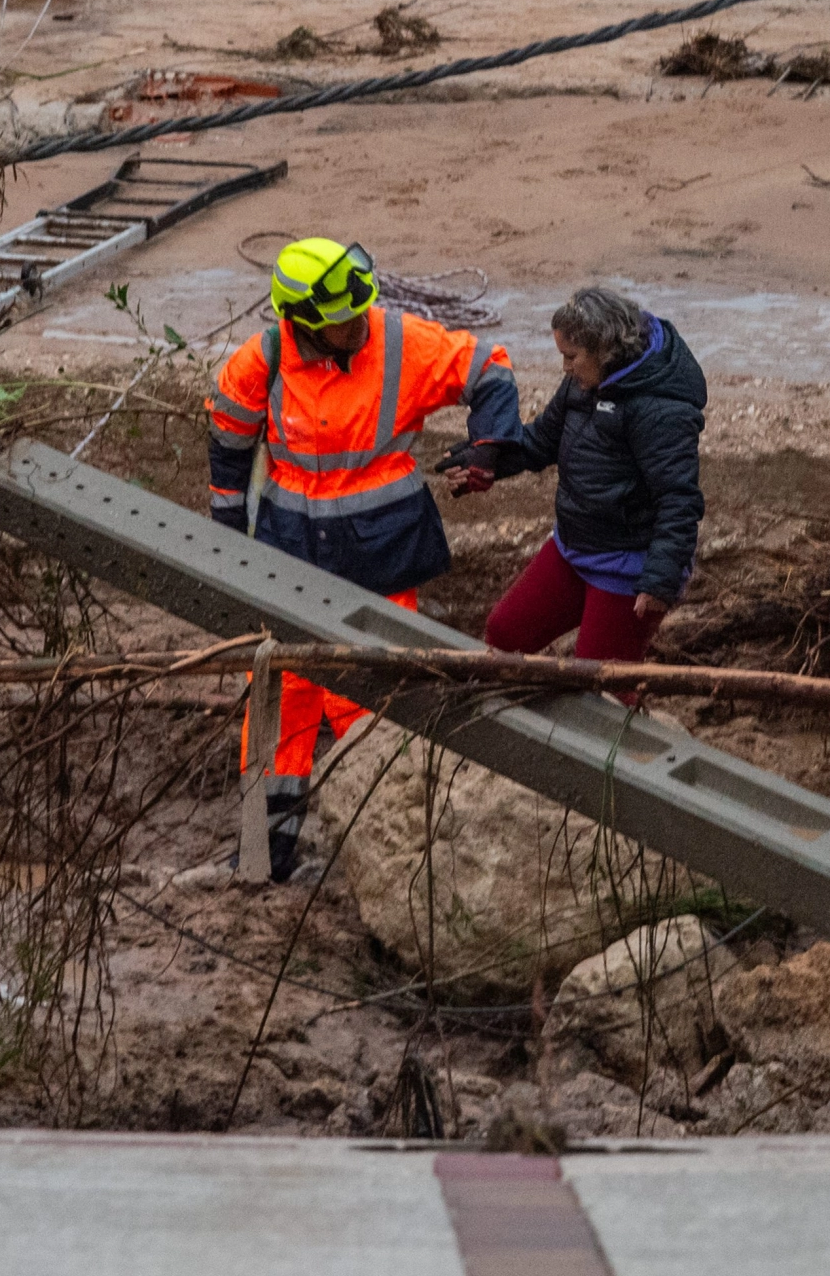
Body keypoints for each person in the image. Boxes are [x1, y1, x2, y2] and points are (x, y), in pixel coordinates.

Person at [204, 238, 521, 881]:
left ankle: (384, 852)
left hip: (380, 557)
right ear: (300, 321)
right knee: (280, 696)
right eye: (342, 320)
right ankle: (265, 854)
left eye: (358, 312)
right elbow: (228, 450)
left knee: (372, 701)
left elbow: (489, 366)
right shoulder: (259, 364)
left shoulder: (397, 341)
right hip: (289, 558)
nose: (357, 326)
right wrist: (228, 543)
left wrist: (490, 444)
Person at [443, 285, 706, 663]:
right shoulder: (585, 380)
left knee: (602, 689)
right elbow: (542, 440)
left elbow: (679, 500)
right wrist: (486, 459)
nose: (565, 367)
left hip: (626, 567)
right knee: (505, 634)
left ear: (605, 350)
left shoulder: (660, 410)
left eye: (571, 356)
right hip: (572, 547)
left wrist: (660, 580)